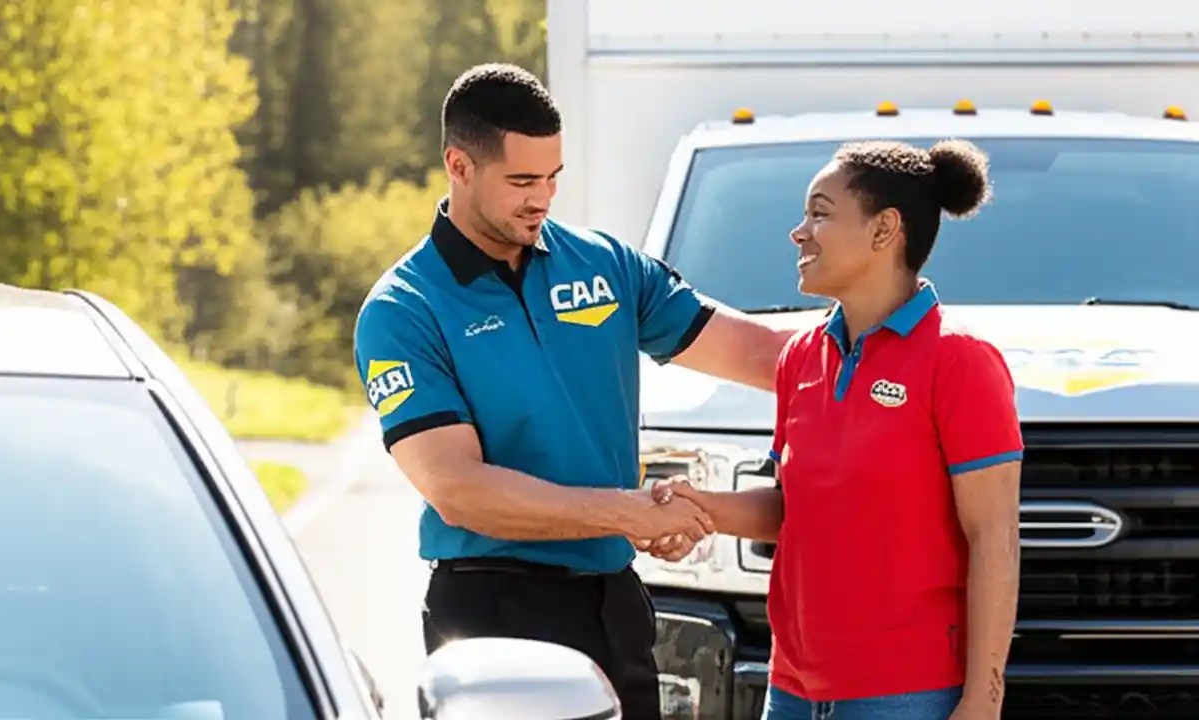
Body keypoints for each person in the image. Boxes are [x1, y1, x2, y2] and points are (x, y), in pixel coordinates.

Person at [351, 63, 797, 719]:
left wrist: (923, 363)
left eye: (554, 177)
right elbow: (460, 490)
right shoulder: (403, 309)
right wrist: (629, 512)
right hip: (491, 613)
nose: (543, 198)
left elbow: (766, 356)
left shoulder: (605, 265)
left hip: (615, 602)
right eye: (523, 181)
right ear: (459, 165)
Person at [652, 139, 1023, 720]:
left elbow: (994, 539)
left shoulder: (960, 361)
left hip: (908, 693)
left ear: (884, 230)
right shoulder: (800, 356)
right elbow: (796, 507)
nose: (799, 232)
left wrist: (982, 700)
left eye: (820, 213)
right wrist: (701, 509)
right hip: (792, 689)